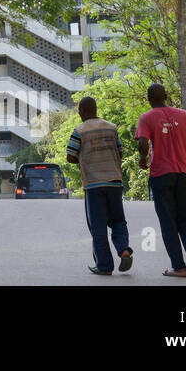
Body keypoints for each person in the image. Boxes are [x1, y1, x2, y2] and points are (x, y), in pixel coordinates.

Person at [136, 84, 186, 278]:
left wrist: (143, 158)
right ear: (166, 96)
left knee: (168, 221)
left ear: (148, 98)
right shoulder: (183, 115)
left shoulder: (146, 118)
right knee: (185, 217)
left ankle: (179, 267)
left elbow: (143, 142)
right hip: (184, 173)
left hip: (161, 175)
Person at [66, 97, 132, 275]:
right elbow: (120, 152)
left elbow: (70, 156)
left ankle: (104, 266)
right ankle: (124, 249)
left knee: (98, 226)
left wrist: (83, 157)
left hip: (94, 184)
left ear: (81, 111)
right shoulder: (112, 128)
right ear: (96, 109)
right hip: (115, 181)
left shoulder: (79, 130)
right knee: (118, 220)